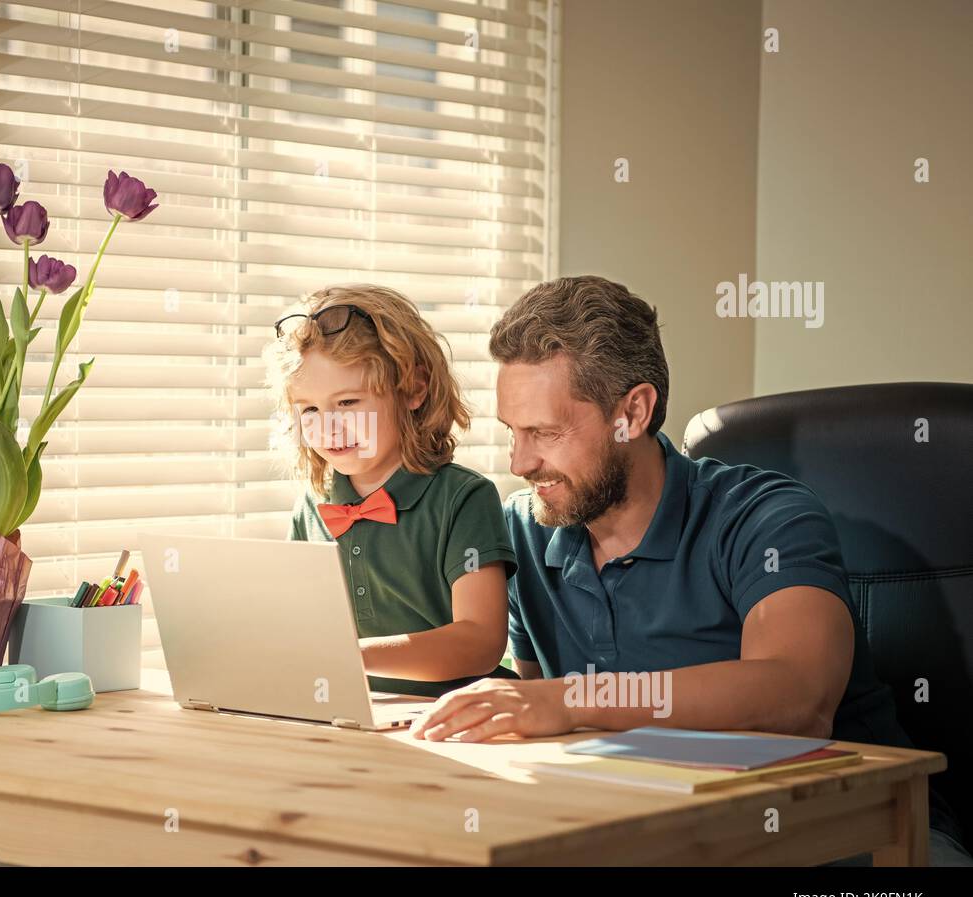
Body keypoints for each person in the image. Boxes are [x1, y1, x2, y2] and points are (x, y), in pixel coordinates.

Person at [410, 275, 970, 865]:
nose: (521, 462)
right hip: (672, 836)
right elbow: (544, 718)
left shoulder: (767, 517)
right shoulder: (524, 531)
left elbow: (798, 699)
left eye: (545, 433)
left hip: (855, 837)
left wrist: (571, 698)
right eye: (512, 433)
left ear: (634, 412)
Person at [264, 284, 516, 696]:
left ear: (414, 389)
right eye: (309, 408)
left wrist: (352, 655)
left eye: (347, 403)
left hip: (456, 717)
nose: (328, 425)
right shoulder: (311, 507)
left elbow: (481, 642)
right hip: (357, 714)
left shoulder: (464, 498)